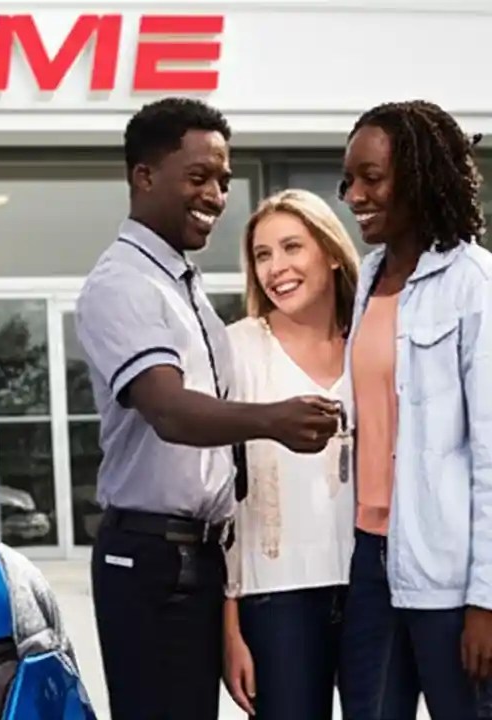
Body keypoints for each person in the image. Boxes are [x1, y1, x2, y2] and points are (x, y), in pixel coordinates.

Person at [74, 97, 342, 720]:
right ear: (144, 176)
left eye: (223, 180)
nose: (217, 195)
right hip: (148, 560)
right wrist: (273, 420)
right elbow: (168, 410)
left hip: (197, 559)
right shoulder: (122, 285)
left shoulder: (181, 284)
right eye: (198, 178)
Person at [337, 99, 492, 719]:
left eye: (371, 178)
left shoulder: (473, 283)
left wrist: (485, 598)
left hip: (452, 578)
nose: (354, 195)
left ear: (422, 177)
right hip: (371, 561)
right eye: (350, 179)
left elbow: (489, 452)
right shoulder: (370, 278)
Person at [220, 188, 361, 719]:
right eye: (262, 255)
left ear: (329, 250)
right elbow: (220, 498)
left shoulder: (372, 343)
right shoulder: (236, 350)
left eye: (291, 247)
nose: (276, 267)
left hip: (373, 588)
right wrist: (230, 627)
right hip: (274, 599)